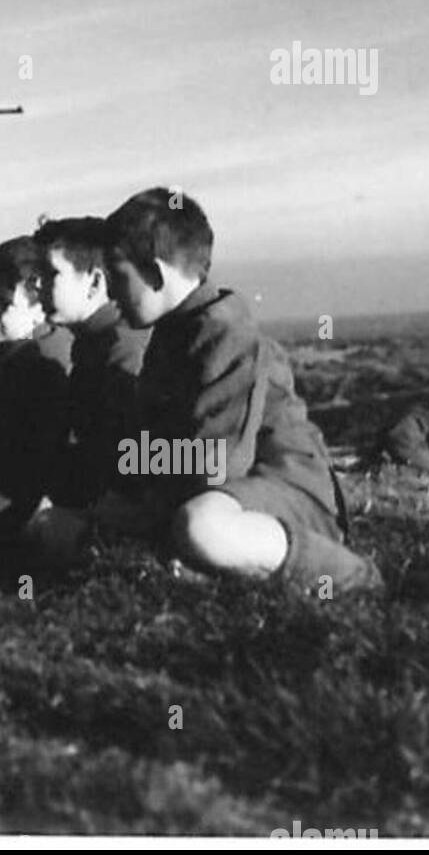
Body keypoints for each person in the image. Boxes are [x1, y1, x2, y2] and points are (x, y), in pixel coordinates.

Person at [98, 187, 384, 594]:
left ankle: (352, 577)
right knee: (111, 514)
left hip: (286, 492)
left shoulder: (223, 331)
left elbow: (215, 464)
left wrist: (148, 504)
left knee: (201, 527)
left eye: (118, 275)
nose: (110, 292)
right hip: (229, 488)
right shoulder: (175, 330)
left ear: (157, 273)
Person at [0, 236, 73, 545]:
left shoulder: (46, 359)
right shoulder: (12, 354)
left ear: (40, 307)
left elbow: (41, 453)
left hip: (42, 491)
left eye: (4, 303)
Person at [33, 216, 149, 509]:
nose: (38, 287)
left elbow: (119, 461)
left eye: (51, 274)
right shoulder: (92, 342)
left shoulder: (123, 348)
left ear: (95, 282)